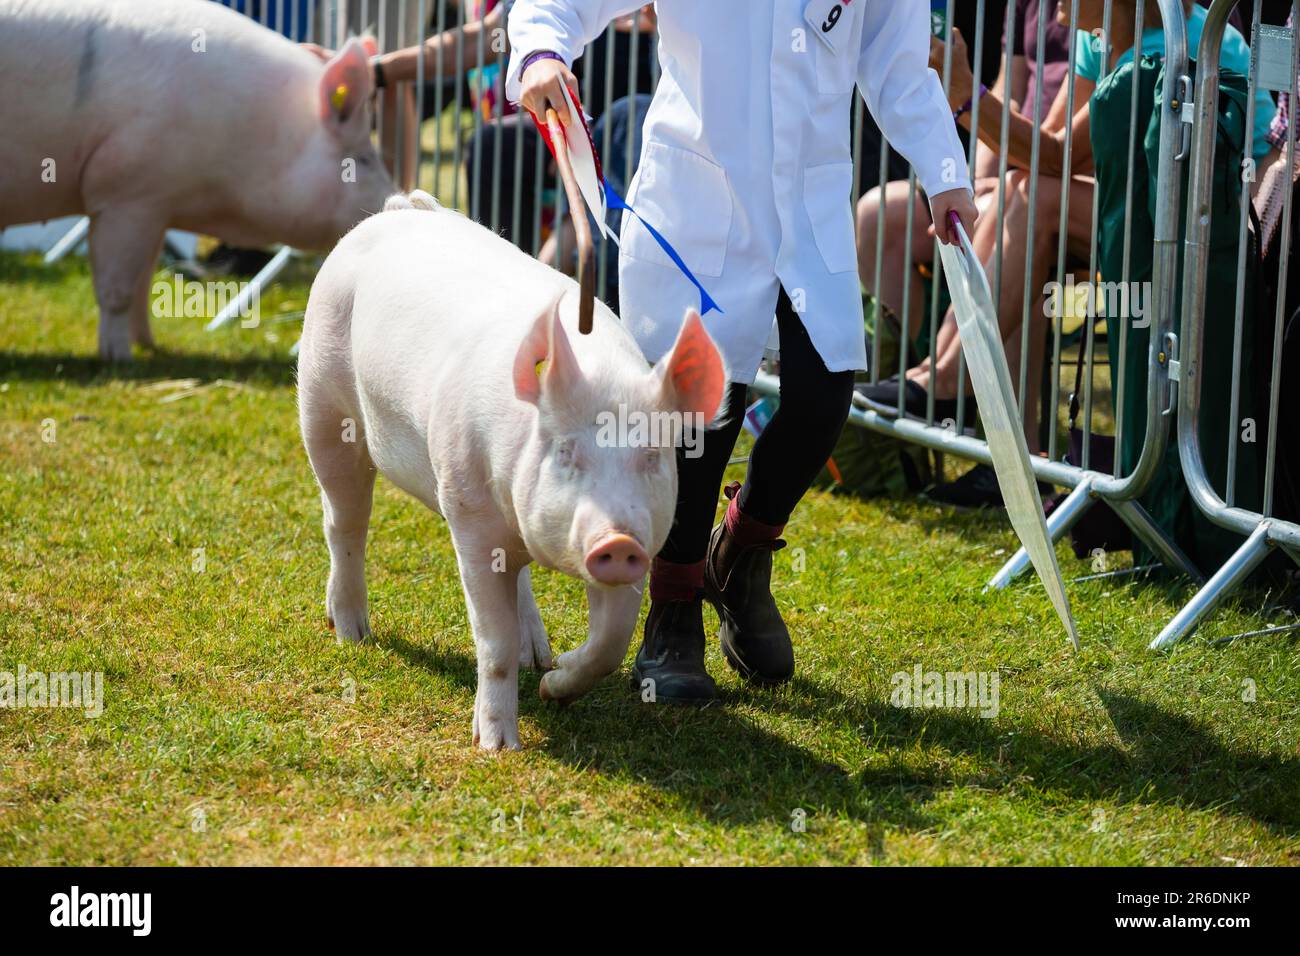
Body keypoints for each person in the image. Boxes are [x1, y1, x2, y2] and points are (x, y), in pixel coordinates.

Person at [508, 1, 978, 703]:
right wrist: (543, 50)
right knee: (698, 416)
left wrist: (945, 172)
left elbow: (896, 62)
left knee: (824, 400)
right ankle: (672, 612)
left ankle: (741, 553)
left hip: (810, 202)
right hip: (697, 202)